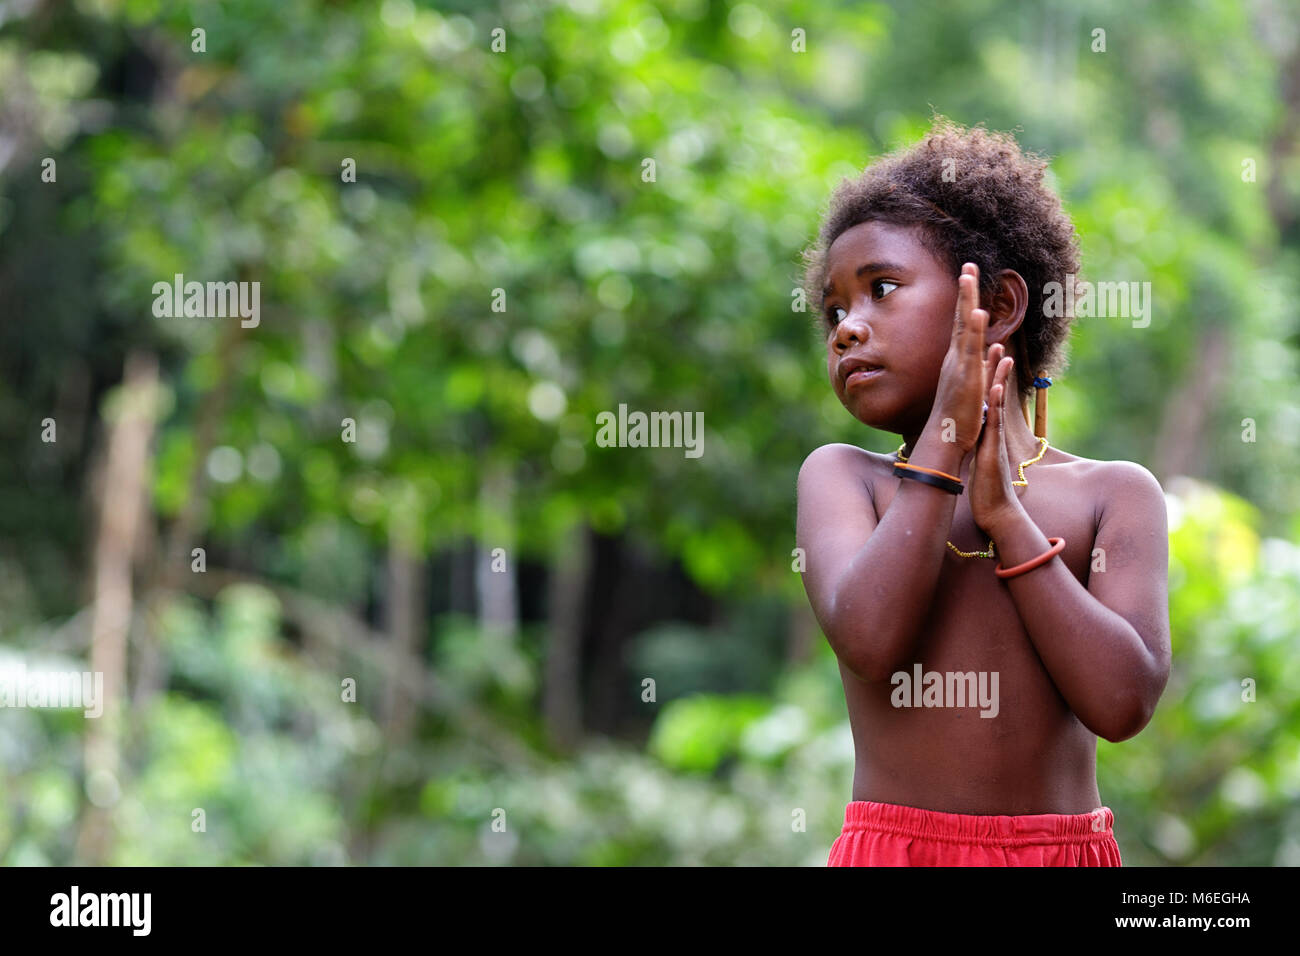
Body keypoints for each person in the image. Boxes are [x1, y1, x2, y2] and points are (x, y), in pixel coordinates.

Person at [796, 118, 1170, 866]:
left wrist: (1006, 519)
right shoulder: (844, 479)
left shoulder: (1115, 495)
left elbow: (1123, 704)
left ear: (997, 306)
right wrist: (945, 439)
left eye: (881, 289)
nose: (846, 329)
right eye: (834, 311)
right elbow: (870, 642)